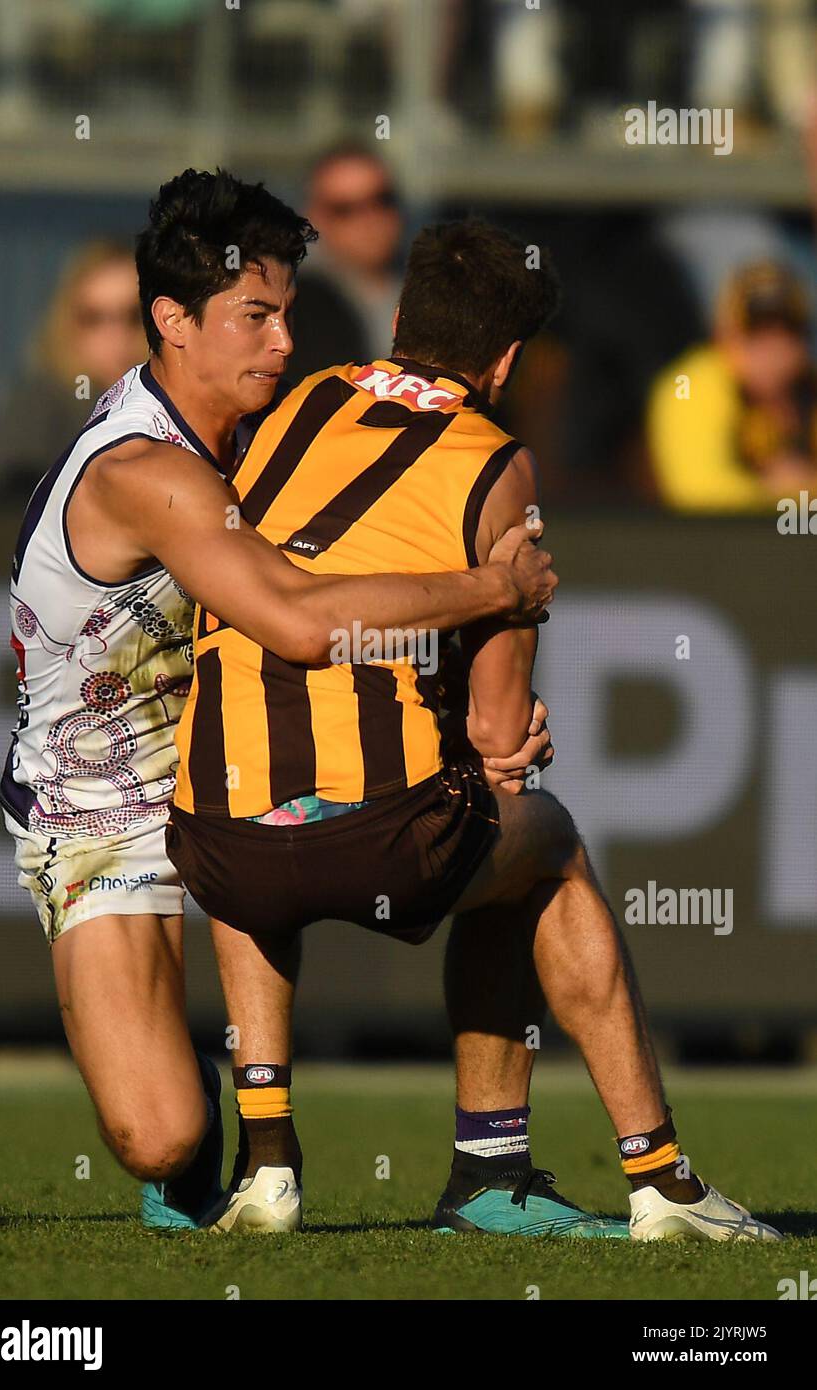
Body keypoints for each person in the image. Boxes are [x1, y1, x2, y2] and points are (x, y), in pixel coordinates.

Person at [168, 218, 780, 1242]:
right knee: (540, 837)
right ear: (504, 360)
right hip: (378, 834)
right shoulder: (494, 463)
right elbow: (498, 730)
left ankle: (268, 1159)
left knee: (251, 790)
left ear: (398, 318)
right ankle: (653, 1179)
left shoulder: (301, 398)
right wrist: (492, 739)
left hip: (212, 841)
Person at [0, 171, 557, 1233]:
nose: (282, 340)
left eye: (288, 311)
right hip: (99, 813)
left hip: (224, 767)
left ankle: (491, 1164)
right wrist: (497, 587)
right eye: (255, 316)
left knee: (513, 825)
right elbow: (303, 622)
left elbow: (350, 611)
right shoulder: (141, 470)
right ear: (170, 321)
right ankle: (207, 1117)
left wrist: (474, 714)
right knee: (158, 1136)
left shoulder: (273, 433)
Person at [649, 260, 817, 511]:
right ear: (724, 335)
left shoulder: (806, 390)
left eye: (786, 332)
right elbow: (701, 495)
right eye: (755, 334)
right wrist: (789, 495)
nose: (772, 350)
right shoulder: (691, 384)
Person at [0, 241, 147, 500]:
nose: (115, 336)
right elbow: (17, 507)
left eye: (133, 316)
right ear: (66, 324)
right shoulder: (37, 406)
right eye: (93, 318)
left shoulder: (180, 406)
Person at [288, 143, 403, 382]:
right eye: (345, 209)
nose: (369, 219)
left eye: (381, 200)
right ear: (314, 217)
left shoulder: (436, 288)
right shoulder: (294, 308)